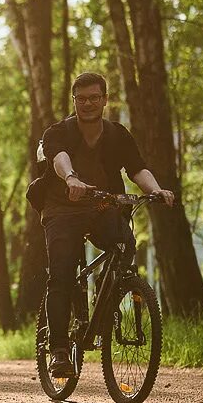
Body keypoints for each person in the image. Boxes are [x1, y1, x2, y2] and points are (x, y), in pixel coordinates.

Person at [32, 71, 175, 379]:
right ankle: (58, 350)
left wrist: (156, 190)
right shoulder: (60, 131)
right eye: (81, 99)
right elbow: (59, 157)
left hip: (101, 205)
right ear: (74, 101)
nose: (88, 104)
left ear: (105, 100)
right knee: (62, 273)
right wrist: (71, 178)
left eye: (94, 98)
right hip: (62, 208)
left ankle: (107, 294)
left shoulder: (117, 134)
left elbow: (137, 168)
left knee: (125, 243)